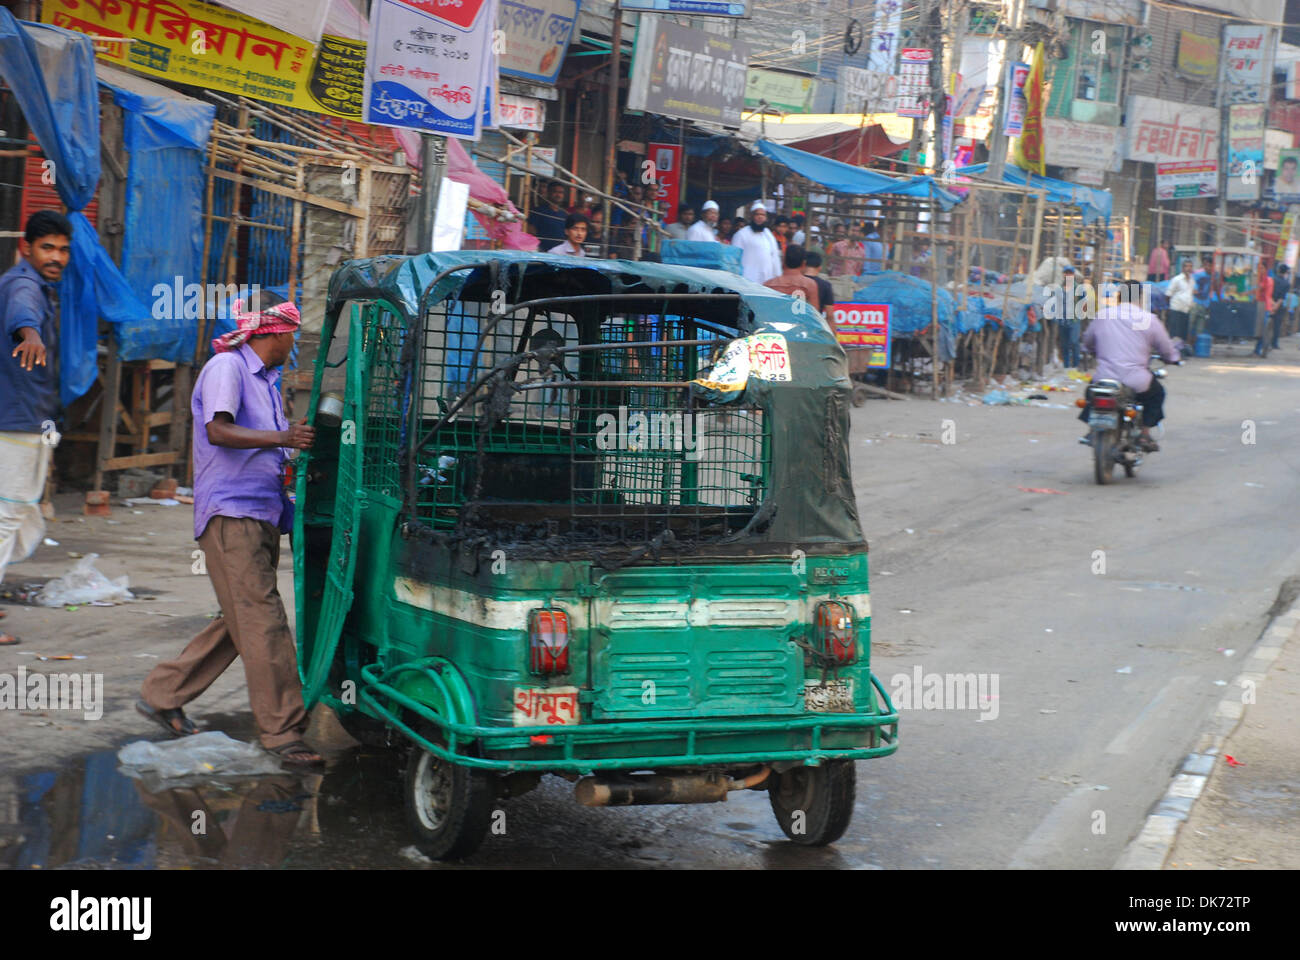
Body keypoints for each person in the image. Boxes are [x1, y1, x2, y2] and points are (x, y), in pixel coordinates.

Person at [138, 294, 323, 766]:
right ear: (272, 332)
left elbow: (270, 451)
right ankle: (282, 733)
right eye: (291, 333)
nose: (294, 341)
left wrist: (290, 452)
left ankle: (162, 693)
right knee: (262, 621)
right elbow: (219, 431)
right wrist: (283, 437)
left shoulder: (268, 383)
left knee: (240, 619)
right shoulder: (228, 368)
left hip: (260, 515)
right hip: (231, 515)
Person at [0, 211, 70, 643]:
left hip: (33, 417)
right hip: (19, 420)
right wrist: (30, 334)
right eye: (48, 247)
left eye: (63, 249)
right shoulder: (24, 285)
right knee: (11, 514)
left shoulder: (41, 286)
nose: (57, 257)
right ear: (27, 248)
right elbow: (23, 314)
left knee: (24, 515)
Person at [1080, 285, 1181, 452]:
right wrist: (1173, 359)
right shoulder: (1149, 319)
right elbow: (1166, 350)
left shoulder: (1103, 315)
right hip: (1136, 381)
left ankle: (1092, 430)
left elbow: (1087, 343)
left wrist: (1093, 351)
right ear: (1140, 297)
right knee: (1156, 395)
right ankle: (1144, 433)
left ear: (1119, 296)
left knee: (1090, 393)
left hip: (1105, 378)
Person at [731, 200, 781, 283]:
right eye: (757, 214)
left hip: (767, 281)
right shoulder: (741, 235)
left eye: (763, 215)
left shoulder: (768, 234)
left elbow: (775, 257)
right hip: (747, 281)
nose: (760, 217)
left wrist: (778, 277)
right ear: (751, 216)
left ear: (766, 218)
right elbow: (734, 259)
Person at [765, 244, 821, 311]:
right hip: (799, 321)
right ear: (803, 264)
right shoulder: (810, 285)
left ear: (783, 261)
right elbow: (814, 314)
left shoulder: (768, 285)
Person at [528, 181, 569, 246]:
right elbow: (531, 231)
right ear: (548, 193)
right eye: (555, 192)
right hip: (543, 251)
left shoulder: (564, 214)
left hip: (560, 252)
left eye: (561, 192)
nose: (558, 195)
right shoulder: (538, 211)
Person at [1164, 255, 1195, 342]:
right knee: (1175, 334)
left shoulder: (1192, 280)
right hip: (1176, 309)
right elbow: (1168, 295)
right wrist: (1169, 307)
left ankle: (1181, 352)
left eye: (1190, 266)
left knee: (1183, 333)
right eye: (1186, 266)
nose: (1188, 268)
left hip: (1186, 310)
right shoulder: (1177, 279)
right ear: (1182, 268)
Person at [1057, 263, 1081, 369]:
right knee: (1064, 345)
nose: (1068, 275)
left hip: (1074, 320)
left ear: (1073, 275)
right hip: (1062, 321)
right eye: (1066, 273)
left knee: (1074, 342)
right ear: (1064, 275)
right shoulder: (1060, 288)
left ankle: (1075, 365)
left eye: (1070, 273)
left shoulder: (1078, 288)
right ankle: (1066, 367)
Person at [1189, 254, 1215, 340]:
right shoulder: (1197, 274)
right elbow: (1189, 285)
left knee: (1200, 328)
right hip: (1195, 302)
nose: (1207, 267)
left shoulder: (1214, 275)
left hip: (1205, 304)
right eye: (1205, 265)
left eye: (1209, 265)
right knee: (1190, 324)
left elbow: (1215, 287)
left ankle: (1196, 346)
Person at [1253, 262, 1276, 356]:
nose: (1260, 270)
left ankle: (1259, 349)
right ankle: (1259, 349)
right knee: (1261, 329)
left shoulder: (1267, 280)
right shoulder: (1263, 279)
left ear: (1266, 269)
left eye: (1262, 268)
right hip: (1263, 305)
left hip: (1265, 306)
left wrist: (1245, 294)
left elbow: (1259, 290)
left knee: (1262, 329)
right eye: (1259, 268)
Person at [803, 249, 835, 316]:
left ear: (803, 265)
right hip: (814, 324)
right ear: (820, 267)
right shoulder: (825, 285)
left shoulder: (795, 282)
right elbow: (830, 316)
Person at [1266, 264, 1290, 353]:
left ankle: (1264, 342)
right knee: (1276, 326)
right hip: (1279, 307)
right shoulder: (1287, 283)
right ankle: (1274, 344)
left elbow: (1269, 293)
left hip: (1268, 303)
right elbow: (1282, 297)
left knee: (1265, 324)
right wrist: (1276, 306)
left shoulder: (1272, 279)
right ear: (1286, 272)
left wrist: (1272, 303)